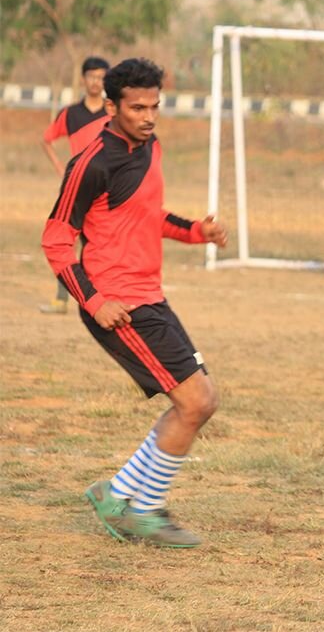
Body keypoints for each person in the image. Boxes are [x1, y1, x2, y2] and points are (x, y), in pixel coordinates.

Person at [41, 58, 228, 548]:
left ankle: (120, 494)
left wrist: (196, 231)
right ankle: (143, 511)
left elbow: (147, 215)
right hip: (117, 304)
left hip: (149, 295)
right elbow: (56, 240)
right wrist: (95, 301)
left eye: (154, 107)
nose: (148, 117)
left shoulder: (150, 147)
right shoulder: (92, 162)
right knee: (195, 401)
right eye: (137, 108)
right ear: (112, 107)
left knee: (201, 401)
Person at [39, 56, 111, 315]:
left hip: (106, 189)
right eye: (92, 76)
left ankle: (104, 298)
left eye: (101, 77)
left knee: (102, 243)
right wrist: (62, 170)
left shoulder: (112, 113)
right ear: (83, 79)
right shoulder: (70, 114)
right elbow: (46, 140)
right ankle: (61, 300)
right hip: (76, 187)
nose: (96, 82)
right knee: (64, 241)